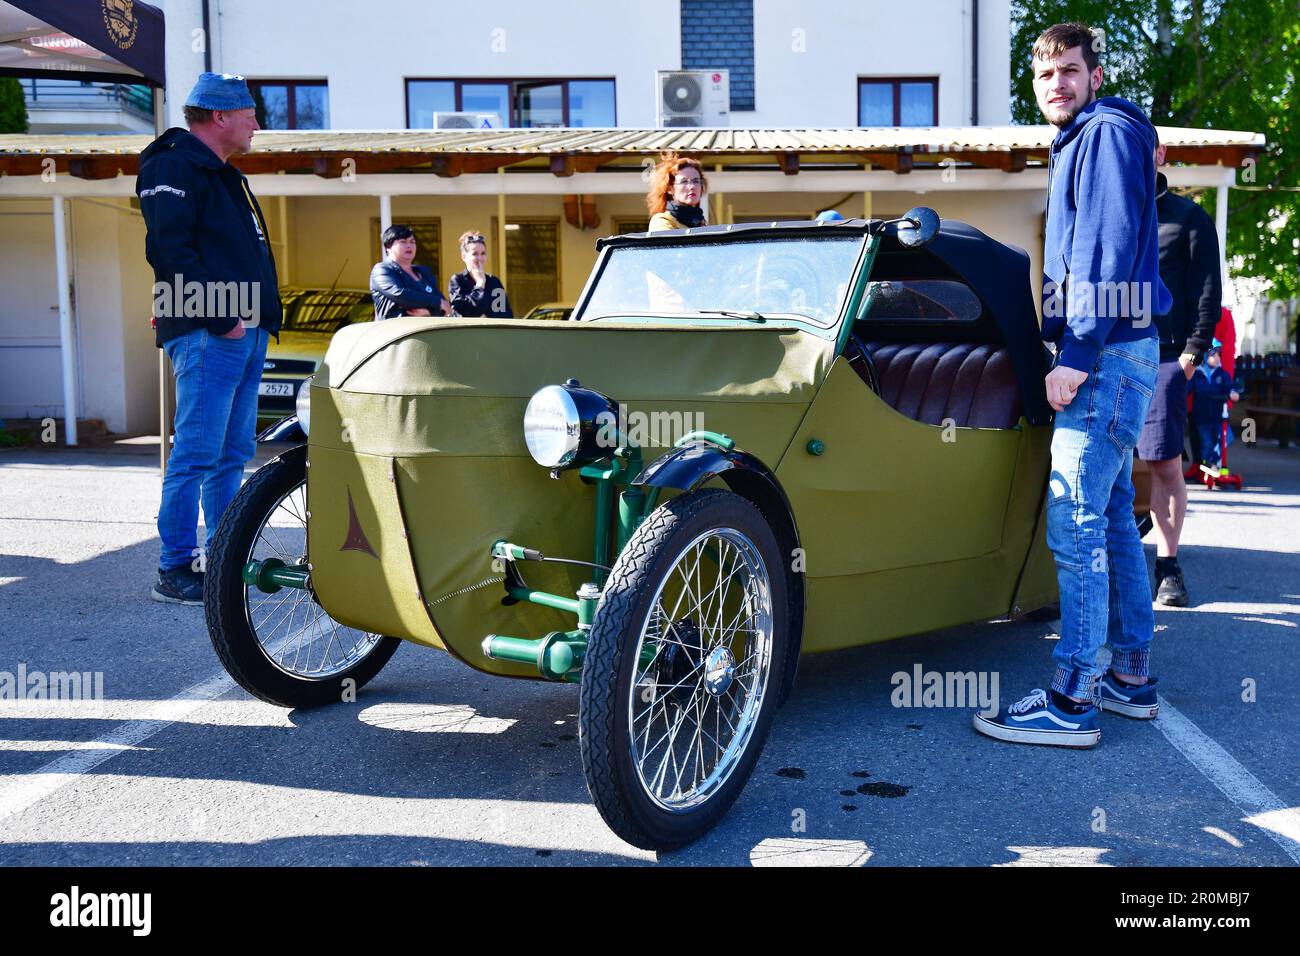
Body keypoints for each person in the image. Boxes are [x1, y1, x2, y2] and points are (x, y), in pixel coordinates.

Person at [973, 22, 1171, 747]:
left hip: (1107, 352)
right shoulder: (1090, 138)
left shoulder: (1104, 134)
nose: (1056, 83)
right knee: (1113, 518)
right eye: (1045, 74)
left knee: (1077, 521)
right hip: (1121, 352)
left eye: (1069, 70)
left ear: (1093, 76)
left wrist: (1078, 349)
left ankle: (1072, 697)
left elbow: (1106, 249)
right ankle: (1129, 676)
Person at [138, 72, 283, 606]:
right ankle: (174, 568)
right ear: (220, 116)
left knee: (230, 455)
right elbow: (169, 250)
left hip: (240, 328)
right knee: (197, 455)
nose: (256, 124)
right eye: (249, 115)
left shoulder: (222, 172)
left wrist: (255, 320)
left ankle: (224, 560)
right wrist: (224, 318)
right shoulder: (173, 163)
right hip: (210, 329)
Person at [1137, 143, 1223, 607]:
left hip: (1167, 359)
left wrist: (1191, 355)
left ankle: (1168, 567)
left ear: (1159, 155)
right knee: (1102, 466)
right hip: (1107, 356)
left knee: (1165, 464)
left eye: (1141, 151)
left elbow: (1208, 293)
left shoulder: (1189, 219)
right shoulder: (1106, 215)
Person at [369, 225, 452, 320]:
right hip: (396, 331)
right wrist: (437, 302)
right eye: (403, 242)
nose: (409, 245)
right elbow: (399, 294)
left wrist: (429, 312)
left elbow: (445, 307)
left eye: (412, 242)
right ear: (388, 246)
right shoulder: (382, 270)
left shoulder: (424, 272)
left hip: (426, 331)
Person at [1188, 342, 1240, 469]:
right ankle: (1208, 465)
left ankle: (1214, 463)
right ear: (1205, 357)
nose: (1217, 358)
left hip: (1219, 417)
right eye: (1213, 355)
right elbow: (1187, 389)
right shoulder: (1197, 374)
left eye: (1218, 355)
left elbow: (1230, 388)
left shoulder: (1222, 375)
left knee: (1224, 439)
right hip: (1202, 417)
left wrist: (1233, 393)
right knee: (1206, 442)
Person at [448, 231, 513, 317]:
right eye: (475, 254)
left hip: (490, 330)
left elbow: (505, 314)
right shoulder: (457, 280)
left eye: (483, 253)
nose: (480, 258)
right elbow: (463, 312)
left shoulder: (494, 282)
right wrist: (480, 284)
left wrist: (487, 318)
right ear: (464, 257)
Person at [646, 153, 708, 231]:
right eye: (684, 181)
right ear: (670, 189)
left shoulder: (700, 222)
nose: (692, 186)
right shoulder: (662, 221)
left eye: (696, 181)